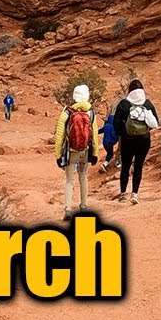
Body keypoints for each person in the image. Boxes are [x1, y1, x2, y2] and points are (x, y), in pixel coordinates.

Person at [53, 84, 102, 220]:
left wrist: (58, 155)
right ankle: (84, 206)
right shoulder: (91, 113)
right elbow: (94, 135)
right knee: (83, 177)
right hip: (85, 151)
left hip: (71, 151)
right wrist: (95, 153)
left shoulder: (67, 113)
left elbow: (59, 136)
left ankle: (68, 209)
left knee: (70, 180)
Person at [112, 79, 159, 204]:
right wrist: (144, 130)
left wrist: (124, 133)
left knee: (125, 166)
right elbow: (155, 122)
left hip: (127, 140)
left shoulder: (124, 104)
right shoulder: (147, 104)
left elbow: (116, 123)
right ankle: (135, 194)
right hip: (144, 140)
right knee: (138, 166)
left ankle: (123, 194)